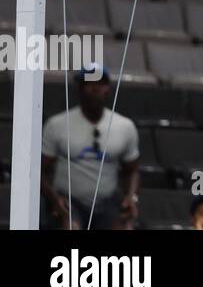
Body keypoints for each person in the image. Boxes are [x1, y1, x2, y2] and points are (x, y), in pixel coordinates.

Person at [40, 63, 141, 230]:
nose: (94, 88)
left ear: (107, 88)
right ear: (79, 87)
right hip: (70, 201)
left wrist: (132, 197)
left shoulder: (125, 126)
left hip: (108, 202)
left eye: (100, 83)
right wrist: (53, 198)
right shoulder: (56, 124)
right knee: (71, 227)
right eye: (89, 83)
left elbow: (133, 169)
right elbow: (40, 170)